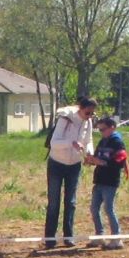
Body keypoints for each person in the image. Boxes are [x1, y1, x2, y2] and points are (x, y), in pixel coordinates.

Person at [44, 97, 97, 249]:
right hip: (56, 164)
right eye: (88, 112)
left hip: (74, 165)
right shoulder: (65, 119)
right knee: (54, 202)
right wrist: (71, 143)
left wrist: (89, 153)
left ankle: (68, 237)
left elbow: (88, 140)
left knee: (71, 202)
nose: (90, 116)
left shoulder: (88, 122)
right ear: (80, 108)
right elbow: (54, 143)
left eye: (92, 114)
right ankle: (50, 238)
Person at [85, 114, 129, 250]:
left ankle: (116, 238)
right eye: (99, 130)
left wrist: (101, 162)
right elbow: (97, 157)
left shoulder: (118, 143)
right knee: (94, 208)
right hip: (99, 180)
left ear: (112, 128)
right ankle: (100, 236)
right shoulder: (102, 142)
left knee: (109, 209)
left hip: (110, 181)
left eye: (103, 129)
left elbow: (119, 163)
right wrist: (91, 160)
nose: (101, 132)